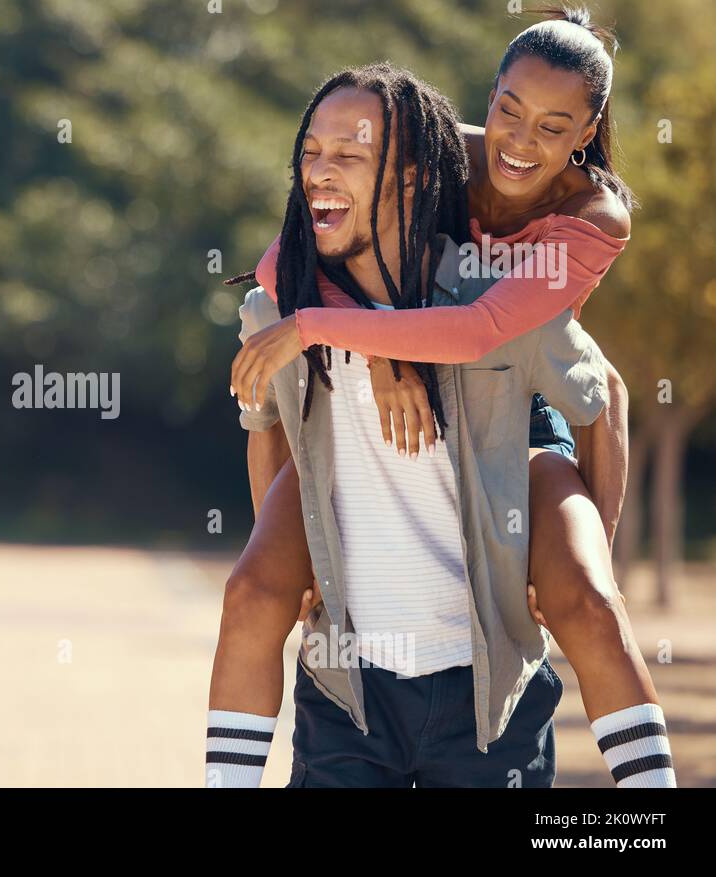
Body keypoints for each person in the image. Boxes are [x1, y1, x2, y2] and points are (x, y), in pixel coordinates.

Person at [209, 11, 673, 789]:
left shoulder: (596, 216)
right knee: (254, 588)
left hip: (514, 395)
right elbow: (277, 261)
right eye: (507, 110)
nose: (520, 142)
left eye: (554, 126)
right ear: (489, 95)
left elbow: (490, 330)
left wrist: (559, 562)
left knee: (589, 601)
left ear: (588, 131)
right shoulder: (437, 152)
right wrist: (379, 345)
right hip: (389, 371)